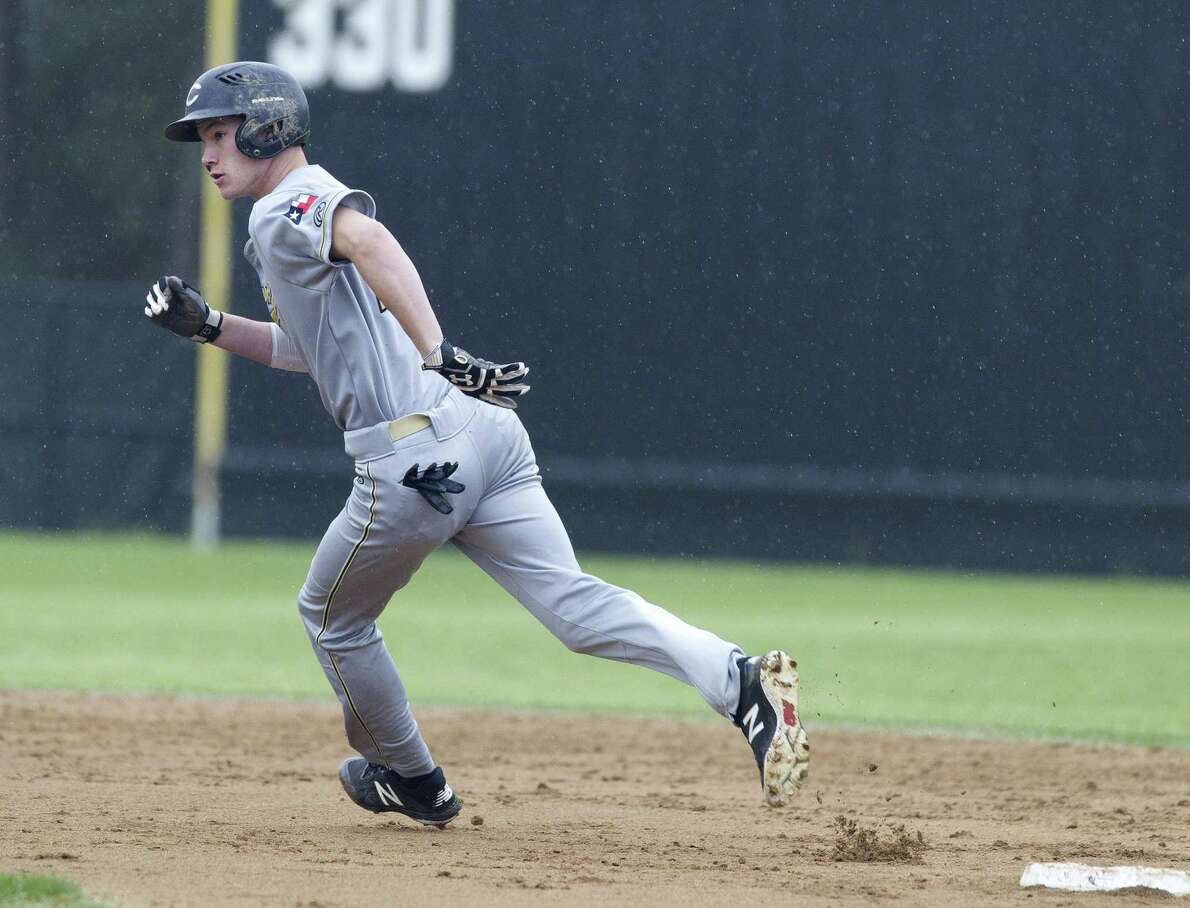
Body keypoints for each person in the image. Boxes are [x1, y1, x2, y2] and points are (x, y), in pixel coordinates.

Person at [146, 61, 809, 827]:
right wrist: (209, 326)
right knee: (575, 607)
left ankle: (413, 779)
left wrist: (440, 350)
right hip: (482, 433)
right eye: (203, 139)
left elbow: (369, 238)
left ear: (268, 127)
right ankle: (739, 682)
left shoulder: (283, 206)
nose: (207, 153)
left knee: (330, 618)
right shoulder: (288, 216)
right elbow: (308, 348)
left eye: (220, 134)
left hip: (413, 459)